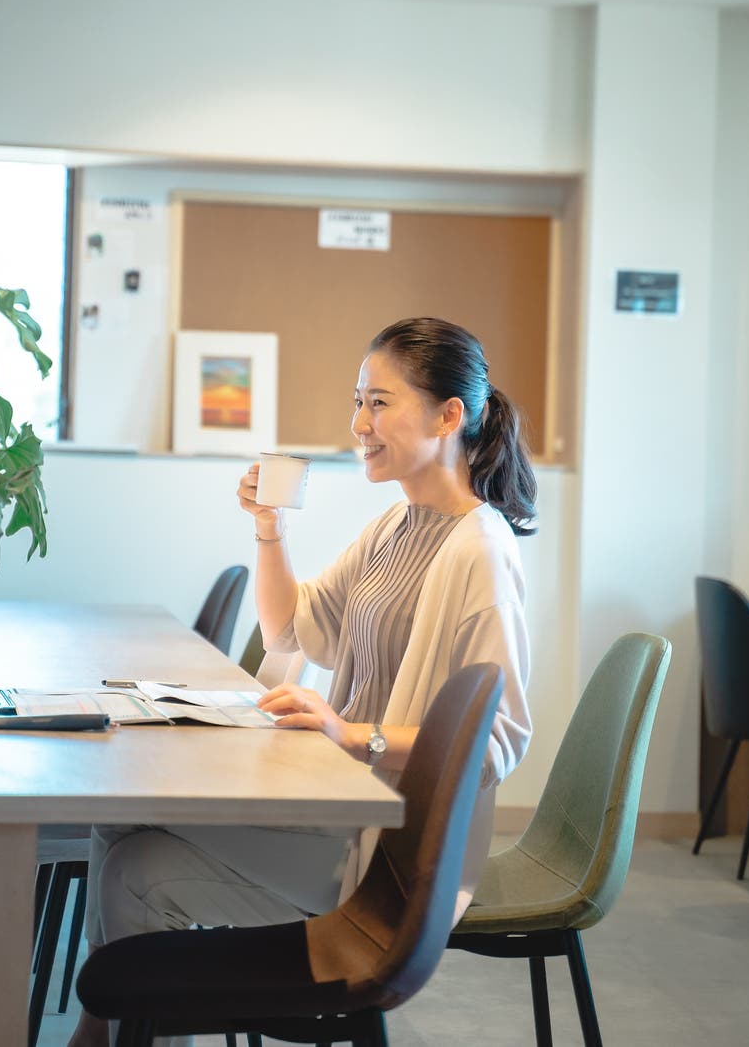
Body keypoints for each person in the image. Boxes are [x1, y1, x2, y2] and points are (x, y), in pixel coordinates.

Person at [67, 316, 535, 1047]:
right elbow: (297, 627)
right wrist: (269, 526)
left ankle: (108, 1036)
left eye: (379, 403)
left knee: (128, 848)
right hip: (335, 805)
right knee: (129, 848)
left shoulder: (482, 549)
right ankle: (122, 1034)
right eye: (359, 401)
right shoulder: (395, 526)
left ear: (450, 415)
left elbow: (499, 738)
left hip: (384, 848)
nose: (359, 423)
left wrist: (354, 735)